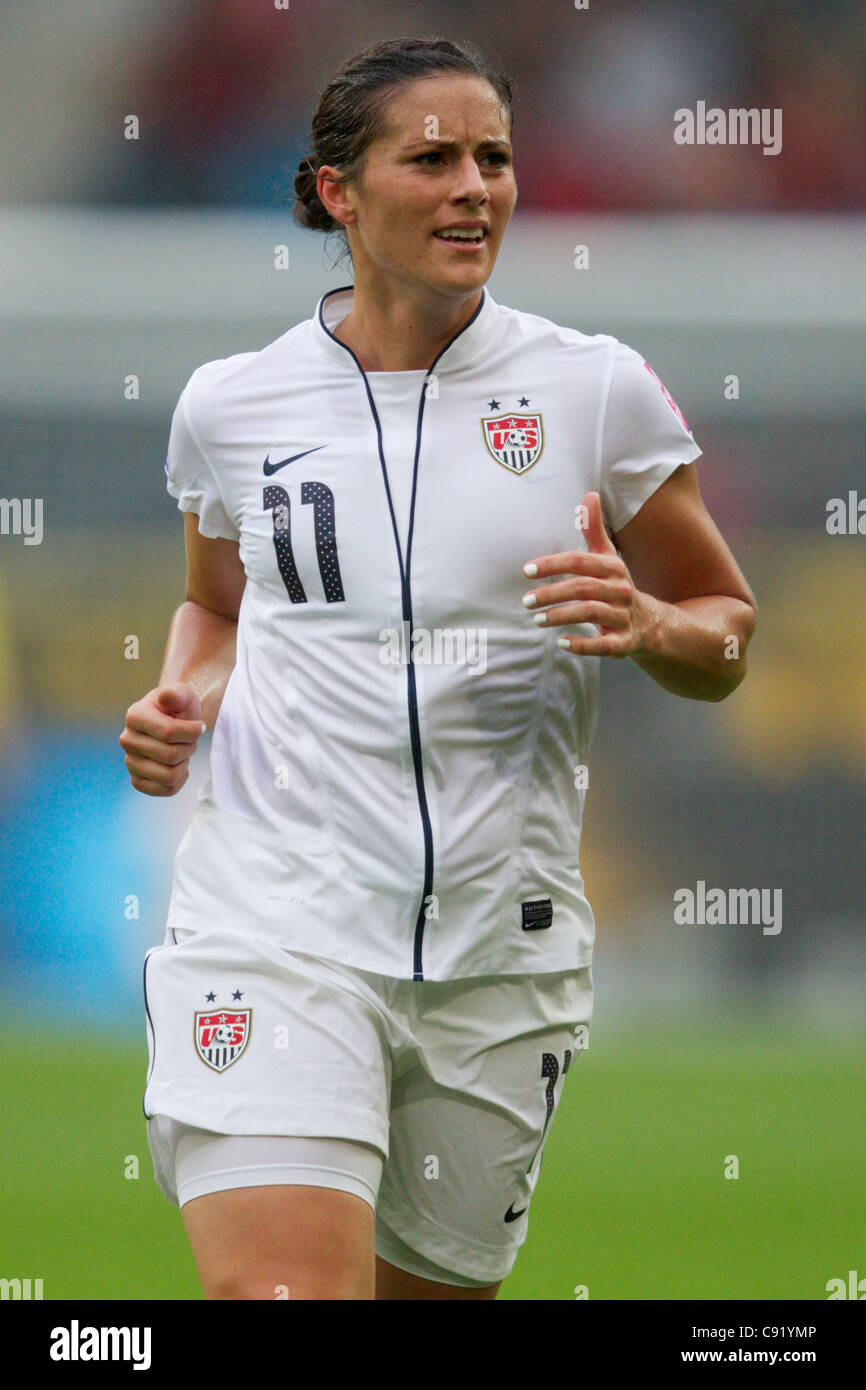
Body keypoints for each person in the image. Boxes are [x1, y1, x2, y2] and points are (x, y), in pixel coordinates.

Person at [119, 36, 756, 1301]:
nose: (475, 186)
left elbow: (723, 627)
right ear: (336, 192)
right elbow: (214, 608)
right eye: (433, 158)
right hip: (274, 918)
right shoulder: (231, 406)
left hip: (497, 953)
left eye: (495, 158)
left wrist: (643, 622)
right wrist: (183, 693)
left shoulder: (595, 390)